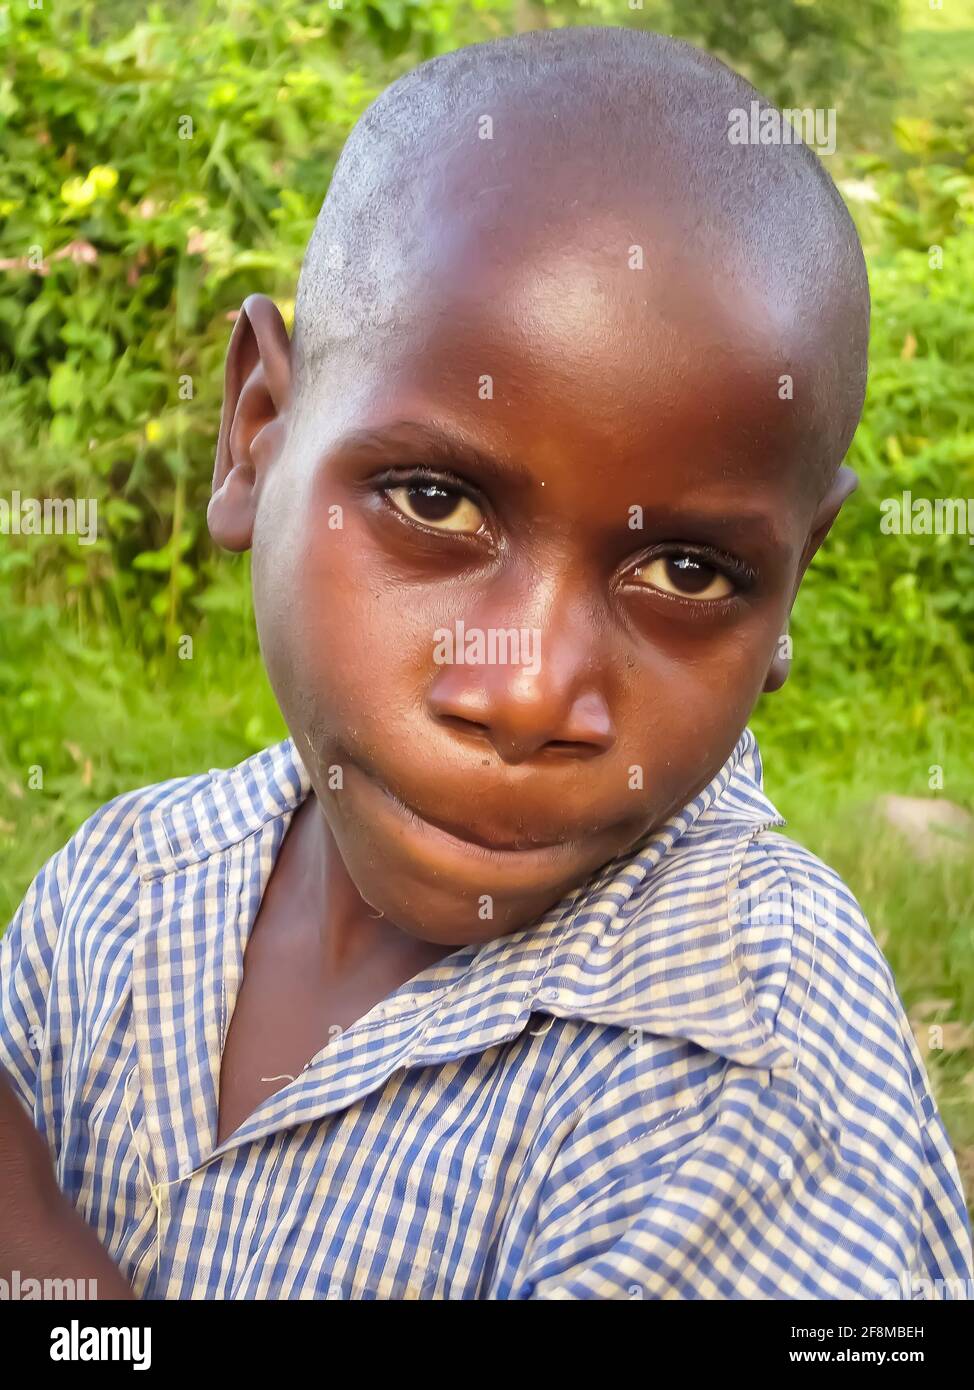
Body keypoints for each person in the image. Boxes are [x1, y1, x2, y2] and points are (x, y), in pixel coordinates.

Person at [2, 26, 971, 1300]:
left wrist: (42, 1267)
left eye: (685, 571)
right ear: (254, 439)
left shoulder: (741, 1036)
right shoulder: (123, 894)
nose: (523, 693)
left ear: (793, 572)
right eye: (433, 500)